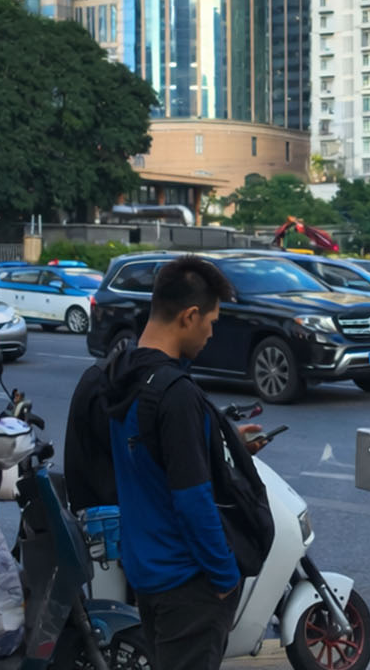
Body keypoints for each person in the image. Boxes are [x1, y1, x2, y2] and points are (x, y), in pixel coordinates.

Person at [99, 257, 267, 670]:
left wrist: (219, 442)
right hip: (188, 582)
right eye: (211, 321)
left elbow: (148, 463)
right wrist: (225, 577)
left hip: (147, 573)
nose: (211, 333)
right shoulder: (176, 394)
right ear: (189, 316)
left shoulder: (123, 375)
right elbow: (192, 500)